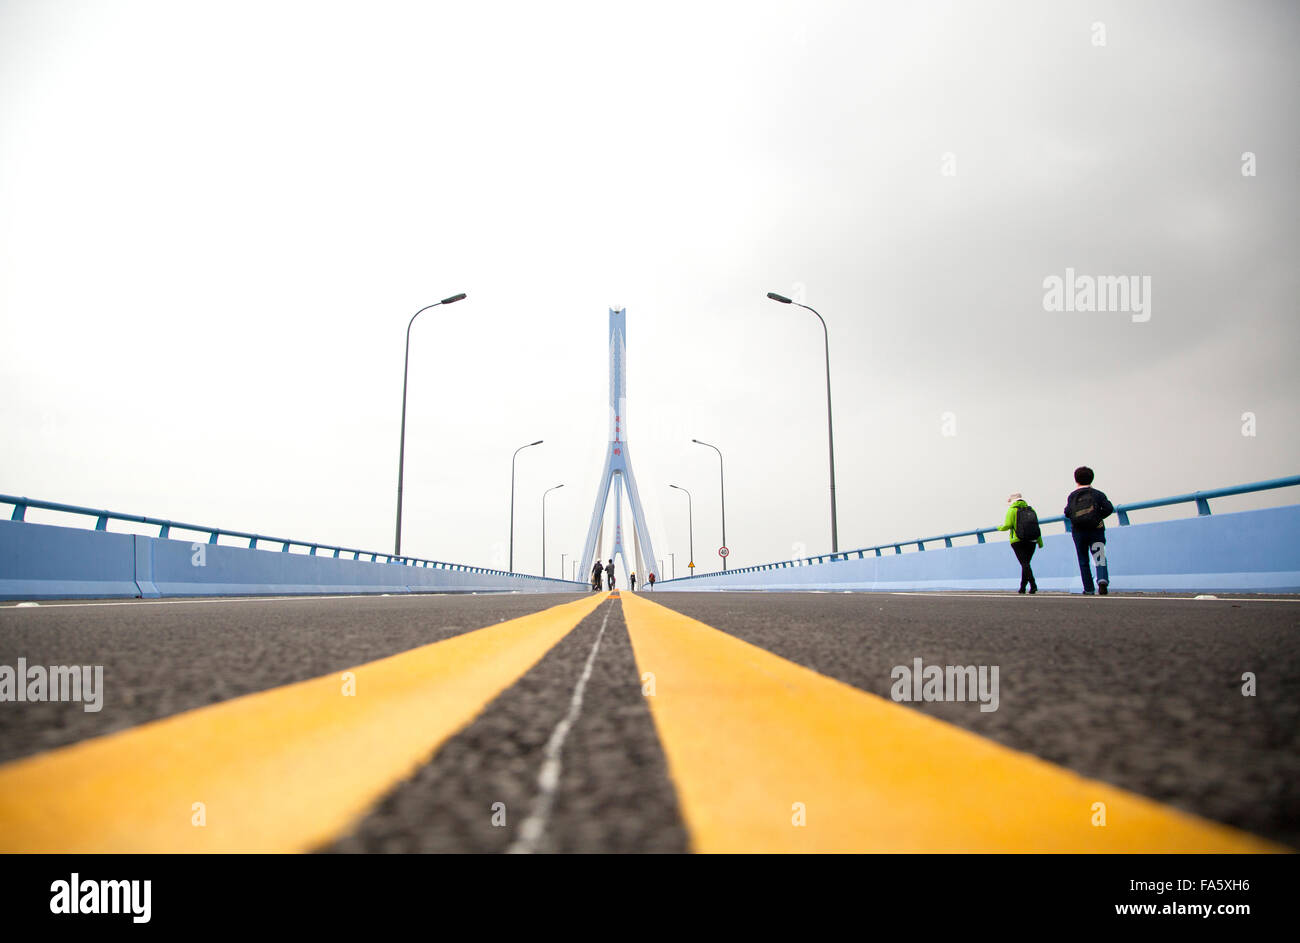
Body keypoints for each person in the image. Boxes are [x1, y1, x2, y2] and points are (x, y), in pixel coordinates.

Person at [1065, 466, 1115, 595]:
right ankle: (1102, 580)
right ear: (1092, 478)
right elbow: (1109, 508)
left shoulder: (1072, 496)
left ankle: (1088, 588)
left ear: (1076, 480)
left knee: (1083, 560)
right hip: (1096, 530)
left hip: (1079, 532)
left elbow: (1067, 512)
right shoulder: (1098, 494)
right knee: (1099, 556)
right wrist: (1097, 517)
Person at [998, 493, 1043, 594]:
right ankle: (1023, 587)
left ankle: (1033, 584)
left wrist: (998, 527)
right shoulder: (1031, 510)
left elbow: (1008, 525)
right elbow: (1036, 527)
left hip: (1018, 541)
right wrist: (1040, 542)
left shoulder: (1012, 510)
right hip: (1032, 541)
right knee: (1026, 564)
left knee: (1024, 564)